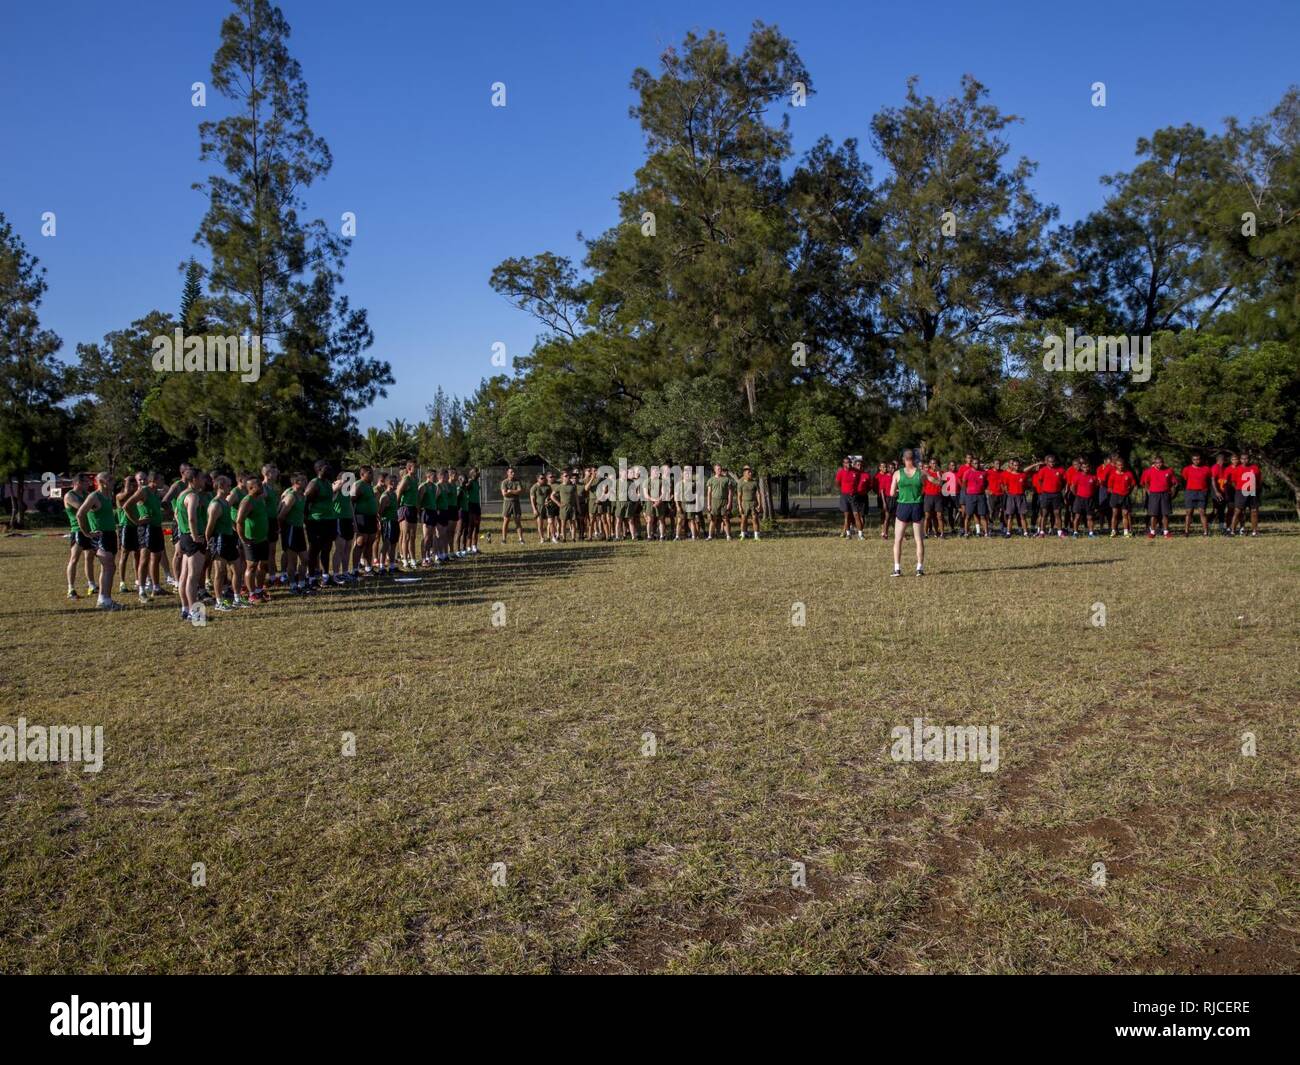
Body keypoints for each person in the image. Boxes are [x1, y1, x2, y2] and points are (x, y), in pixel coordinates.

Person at [75, 472, 123, 610]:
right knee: (109, 566)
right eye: (110, 479)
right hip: (100, 536)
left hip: (110, 535)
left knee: (108, 567)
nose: (113, 481)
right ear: (101, 482)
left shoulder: (109, 496)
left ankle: (105, 599)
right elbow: (80, 514)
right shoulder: (94, 496)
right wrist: (86, 532)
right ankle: (104, 600)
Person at [890, 450, 934, 577]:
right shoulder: (921, 473)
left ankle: (897, 569)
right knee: (919, 539)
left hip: (903, 506)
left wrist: (901, 490)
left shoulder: (897, 473)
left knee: (898, 540)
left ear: (904, 459)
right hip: (917, 506)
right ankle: (919, 569)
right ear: (914, 459)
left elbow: (892, 493)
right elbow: (934, 481)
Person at [236, 474, 271, 601]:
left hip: (263, 539)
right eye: (259, 485)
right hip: (251, 540)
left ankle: (259, 590)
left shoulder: (260, 498)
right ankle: (252, 594)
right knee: (251, 566)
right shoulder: (247, 501)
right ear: (250, 488)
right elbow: (239, 521)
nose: (262, 486)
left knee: (264, 565)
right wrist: (243, 539)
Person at [63, 473, 97, 599]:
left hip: (89, 529)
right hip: (77, 530)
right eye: (86, 482)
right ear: (78, 483)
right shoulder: (70, 495)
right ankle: (71, 589)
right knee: (74, 559)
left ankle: (92, 585)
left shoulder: (86, 495)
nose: (88, 484)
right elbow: (82, 508)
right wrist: (93, 504)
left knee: (90, 558)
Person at [279, 472, 309, 592]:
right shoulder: (291, 496)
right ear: (296, 483)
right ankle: (292, 585)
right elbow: (281, 516)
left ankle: (302, 584)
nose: (306, 482)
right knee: (292, 560)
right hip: (290, 530)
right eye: (303, 480)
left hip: (299, 529)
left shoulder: (302, 496)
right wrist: (283, 530)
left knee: (305, 559)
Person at [1139, 455, 1177, 539]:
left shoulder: (1169, 470)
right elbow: (1145, 483)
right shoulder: (1149, 471)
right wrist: (1148, 492)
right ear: (1154, 463)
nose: (1159, 464)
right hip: (1154, 494)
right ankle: (1152, 532)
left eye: (1160, 462)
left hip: (1165, 494)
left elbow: (1173, 483)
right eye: (1157, 463)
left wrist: (1172, 492)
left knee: (1165, 514)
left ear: (1163, 463)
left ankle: (1166, 532)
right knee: (1153, 514)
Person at [1032, 456, 1067, 538]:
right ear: (1046, 462)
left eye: (1053, 461)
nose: (1052, 463)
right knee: (1044, 514)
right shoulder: (1043, 470)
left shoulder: (1061, 470)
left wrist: (1059, 489)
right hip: (1046, 494)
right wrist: (1045, 489)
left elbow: (1064, 481)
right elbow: (1040, 481)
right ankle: (1042, 532)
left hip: (1056, 494)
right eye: (1050, 462)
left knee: (1057, 513)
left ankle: (1059, 532)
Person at [1229, 451, 1262, 536]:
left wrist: (1256, 488)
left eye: (1246, 458)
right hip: (1241, 492)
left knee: (1254, 511)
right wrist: (1238, 489)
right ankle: (1232, 531)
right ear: (1240, 460)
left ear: (1249, 459)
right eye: (1243, 459)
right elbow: (1233, 482)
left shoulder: (1255, 468)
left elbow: (1259, 479)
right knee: (1238, 511)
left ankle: (1254, 532)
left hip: (1252, 491)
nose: (1245, 460)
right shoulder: (1237, 469)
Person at [394, 461, 420, 569]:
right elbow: (398, 493)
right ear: (409, 468)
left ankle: (413, 559)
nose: (417, 469)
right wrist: (398, 508)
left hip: (413, 508)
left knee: (413, 535)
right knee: (405, 535)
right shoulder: (406, 479)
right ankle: (404, 559)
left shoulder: (415, 479)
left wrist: (417, 507)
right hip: (405, 508)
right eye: (415, 467)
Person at [1106, 458, 1136, 537]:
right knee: (1115, 514)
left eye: (1122, 465)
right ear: (1116, 465)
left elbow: (1133, 484)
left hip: (1125, 496)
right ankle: (1113, 531)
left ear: (1124, 465)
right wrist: (1115, 493)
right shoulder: (1112, 475)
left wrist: (1128, 492)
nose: (1121, 467)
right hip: (1115, 496)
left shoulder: (1128, 474)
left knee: (1125, 514)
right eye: (1119, 465)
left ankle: (1126, 532)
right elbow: (1109, 487)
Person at [1001, 459, 1030, 537]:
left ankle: (1025, 532)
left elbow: (1025, 486)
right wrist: (1009, 493)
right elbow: (1005, 486)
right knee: (1010, 515)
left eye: (1018, 465)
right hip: (1011, 496)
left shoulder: (1023, 475)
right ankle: (1008, 532)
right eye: (1015, 465)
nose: (1016, 467)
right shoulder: (1008, 475)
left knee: (1022, 515)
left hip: (1021, 496)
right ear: (1012, 466)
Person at [1069, 462, 1100, 537]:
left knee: (1090, 517)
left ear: (1089, 467)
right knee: (1077, 516)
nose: (1086, 469)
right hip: (1079, 499)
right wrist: (1076, 494)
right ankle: (1075, 532)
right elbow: (1072, 487)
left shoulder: (1093, 477)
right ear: (1081, 468)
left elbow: (1096, 487)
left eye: (1087, 467)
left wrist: (1091, 494)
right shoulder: (1077, 476)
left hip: (1089, 499)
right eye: (1084, 467)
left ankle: (1091, 533)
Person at [500, 467, 526, 544]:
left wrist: (510, 491)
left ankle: (521, 539)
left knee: (517, 521)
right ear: (507, 473)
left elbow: (520, 491)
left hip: (516, 503)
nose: (513, 473)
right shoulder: (504, 482)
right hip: (507, 503)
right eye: (511, 472)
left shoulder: (517, 482)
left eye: (513, 472)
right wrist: (514, 492)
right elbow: (504, 493)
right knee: (506, 521)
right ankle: (504, 539)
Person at [835, 457, 858, 538]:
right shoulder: (840, 472)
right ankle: (848, 533)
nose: (848, 464)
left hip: (853, 496)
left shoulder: (855, 471)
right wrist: (843, 490)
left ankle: (860, 533)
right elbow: (837, 483)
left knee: (856, 514)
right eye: (846, 462)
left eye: (849, 462)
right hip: (844, 495)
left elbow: (858, 482)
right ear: (843, 464)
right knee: (847, 515)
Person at [736, 466, 761, 539]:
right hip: (744, 503)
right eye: (748, 472)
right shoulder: (741, 482)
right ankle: (743, 535)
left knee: (755, 519)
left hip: (753, 503)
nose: (750, 473)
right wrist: (740, 506)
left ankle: (756, 536)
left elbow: (758, 494)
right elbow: (739, 496)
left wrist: (759, 504)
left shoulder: (754, 482)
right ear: (744, 474)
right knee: (743, 520)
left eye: (750, 472)